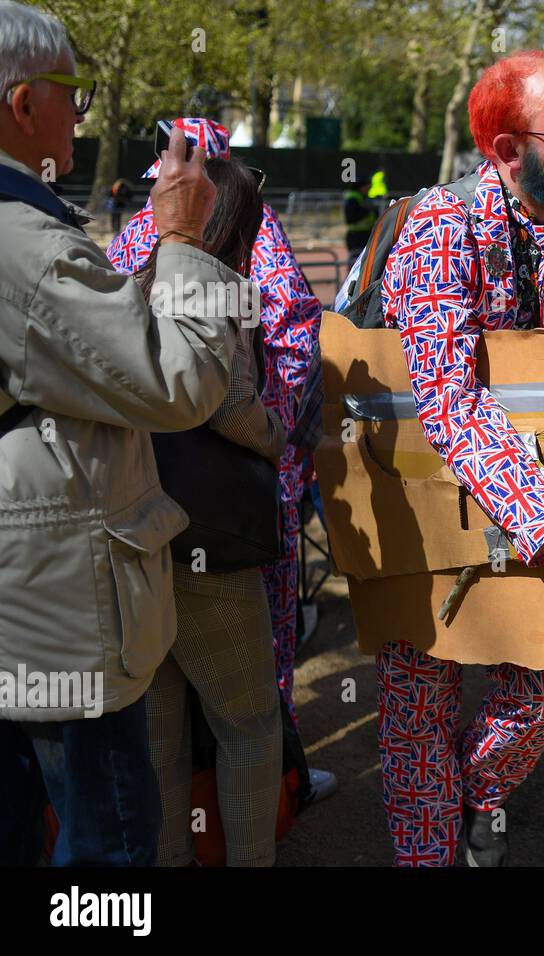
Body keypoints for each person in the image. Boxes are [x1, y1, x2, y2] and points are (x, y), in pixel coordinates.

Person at [0, 0, 244, 865]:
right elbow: (182, 381)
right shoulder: (21, 243)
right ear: (24, 103)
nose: (81, 111)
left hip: (26, 609)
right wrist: (184, 243)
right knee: (106, 858)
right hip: (58, 621)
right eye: (73, 91)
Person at [376, 49, 544, 867]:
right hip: (426, 503)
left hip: (533, 494)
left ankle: (474, 796)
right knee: (419, 699)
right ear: (507, 150)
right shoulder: (443, 226)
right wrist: (543, 519)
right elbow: (448, 397)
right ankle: (432, 847)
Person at [106, 121, 327, 792]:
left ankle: (202, 823)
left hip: (141, 495)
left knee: (159, 692)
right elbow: (291, 343)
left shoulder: (133, 237)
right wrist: (277, 439)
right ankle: (275, 788)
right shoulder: (248, 234)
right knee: (255, 674)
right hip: (231, 493)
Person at [134, 157, 285, 867]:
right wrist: (277, 436)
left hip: (136, 531)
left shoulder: (135, 282)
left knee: (158, 734)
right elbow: (227, 404)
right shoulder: (224, 289)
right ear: (238, 223)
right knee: (248, 725)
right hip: (210, 543)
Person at [343, 182, 376, 265]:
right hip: (356, 236)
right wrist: (367, 210)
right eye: (367, 187)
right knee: (355, 261)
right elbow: (350, 218)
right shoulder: (353, 198)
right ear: (361, 187)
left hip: (367, 234)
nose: (369, 190)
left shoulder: (364, 197)